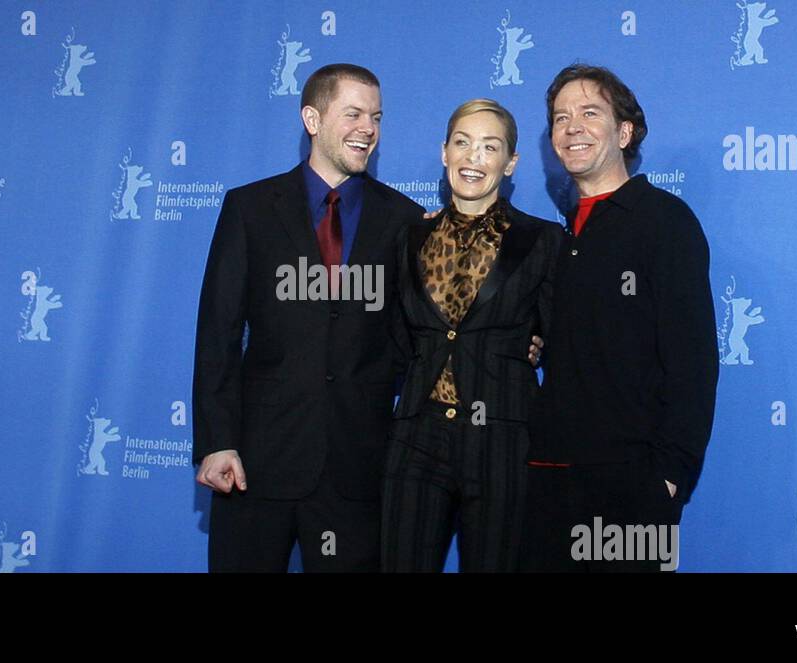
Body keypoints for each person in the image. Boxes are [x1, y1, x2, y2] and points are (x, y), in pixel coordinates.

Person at [192, 63, 423, 572]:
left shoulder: (404, 220)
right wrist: (216, 442)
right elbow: (218, 333)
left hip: (358, 466)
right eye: (355, 113)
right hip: (254, 462)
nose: (368, 128)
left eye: (377, 117)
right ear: (312, 119)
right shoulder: (249, 209)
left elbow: (418, 336)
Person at [522, 64, 719, 572]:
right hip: (546, 480)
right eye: (561, 118)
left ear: (624, 131)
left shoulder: (664, 222)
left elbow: (693, 362)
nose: (572, 127)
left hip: (632, 485)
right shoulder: (556, 241)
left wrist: (670, 476)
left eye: (590, 113)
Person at [381, 99, 562, 572]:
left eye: (489, 147)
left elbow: (562, 337)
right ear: (444, 153)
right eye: (462, 143)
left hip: (502, 437)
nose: (473, 157)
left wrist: (537, 345)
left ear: (510, 163)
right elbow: (397, 340)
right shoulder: (409, 239)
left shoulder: (542, 240)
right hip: (418, 433)